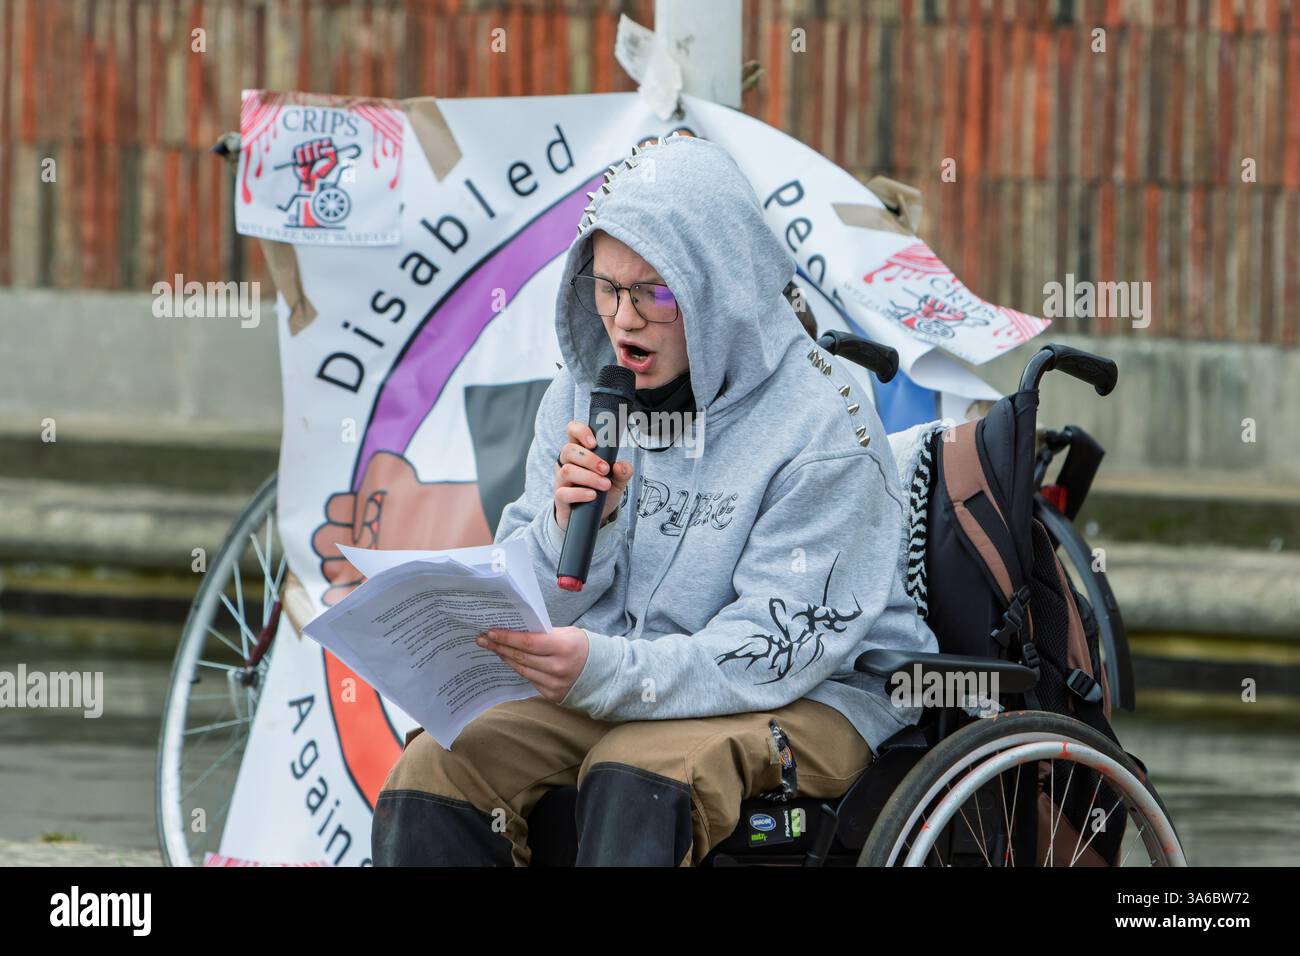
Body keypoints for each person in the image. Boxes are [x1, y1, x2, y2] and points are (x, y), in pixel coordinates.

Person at [371, 134, 938, 866]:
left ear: (720, 288)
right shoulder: (584, 392)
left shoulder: (823, 421)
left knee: (641, 772)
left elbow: (772, 649)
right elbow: (535, 598)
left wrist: (604, 671)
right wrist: (579, 527)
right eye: (607, 289)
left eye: (654, 292)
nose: (624, 319)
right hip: (620, 673)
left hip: (811, 693)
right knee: (438, 767)